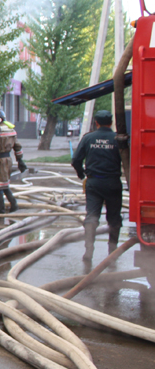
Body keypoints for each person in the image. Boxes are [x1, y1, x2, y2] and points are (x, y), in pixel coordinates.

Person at [71, 110, 123, 261]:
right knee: (114, 218)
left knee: (92, 216)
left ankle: (89, 251)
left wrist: (82, 175)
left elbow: (76, 160)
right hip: (113, 183)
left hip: (94, 183)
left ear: (96, 122)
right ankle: (112, 251)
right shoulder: (117, 139)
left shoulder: (88, 138)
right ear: (111, 122)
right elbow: (128, 159)